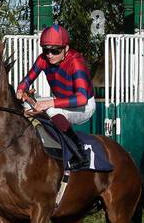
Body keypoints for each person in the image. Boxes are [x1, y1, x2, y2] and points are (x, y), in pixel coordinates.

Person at [16, 24, 95, 168]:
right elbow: (27, 80)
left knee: (51, 110)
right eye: (46, 50)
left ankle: (80, 153)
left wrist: (51, 103)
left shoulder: (76, 62)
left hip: (84, 107)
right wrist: (21, 89)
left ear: (66, 48)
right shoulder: (43, 59)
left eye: (55, 50)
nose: (49, 54)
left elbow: (81, 98)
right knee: (26, 106)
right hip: (62, 102)